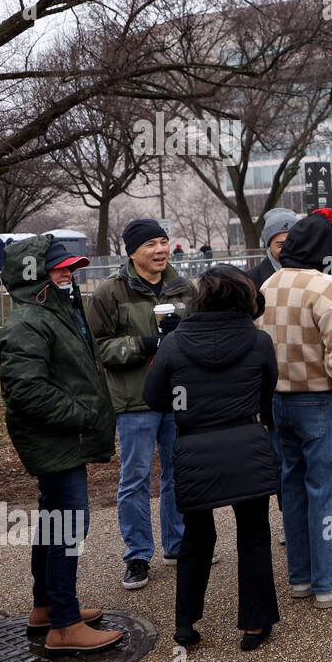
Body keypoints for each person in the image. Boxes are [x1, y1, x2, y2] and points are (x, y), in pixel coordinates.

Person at [0, 237, 122, 654]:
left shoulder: (55, 312)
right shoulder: (28, 323)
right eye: (60, 268)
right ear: (35, 275)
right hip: (57, 441)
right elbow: (26, 391)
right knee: (69, 526)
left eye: (71, 268)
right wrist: (83, 415)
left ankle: (46, 607)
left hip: (62, 440)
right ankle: (64, 625)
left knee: (55, 522)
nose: (70, 274)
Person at [143, 266, 280, 651]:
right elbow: (267, 388)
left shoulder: (173, 344)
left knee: (196, 539)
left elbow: (153, 397)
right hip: (246, 443)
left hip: (195, 447)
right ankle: (254, 625)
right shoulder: (259, 342)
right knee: (253, 534)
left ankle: (185, 625)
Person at [261, 212, 332, 608]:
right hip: (323, 400)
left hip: (279, 401)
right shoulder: (327, 288)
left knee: (293, 490)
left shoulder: (268, 285)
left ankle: (302, 577)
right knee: (331, 490)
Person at [87, 218, 195, 590]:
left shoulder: (184, 288)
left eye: (164, 241)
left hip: (177, 397)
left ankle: (178, 544)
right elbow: (98, 349)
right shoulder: (109, 293)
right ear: (132, 251)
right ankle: (137, 554)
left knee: (177, 473)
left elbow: (199, 335)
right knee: (134, 479)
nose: (161, 249)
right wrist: (144, 344)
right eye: (151, 243)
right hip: (134, 401)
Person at [248, 208, 297, 288]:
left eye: (293, 243)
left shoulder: (315, 272)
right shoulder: (252, 280)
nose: (288, 249)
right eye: (281, 245)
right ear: (268, 245)